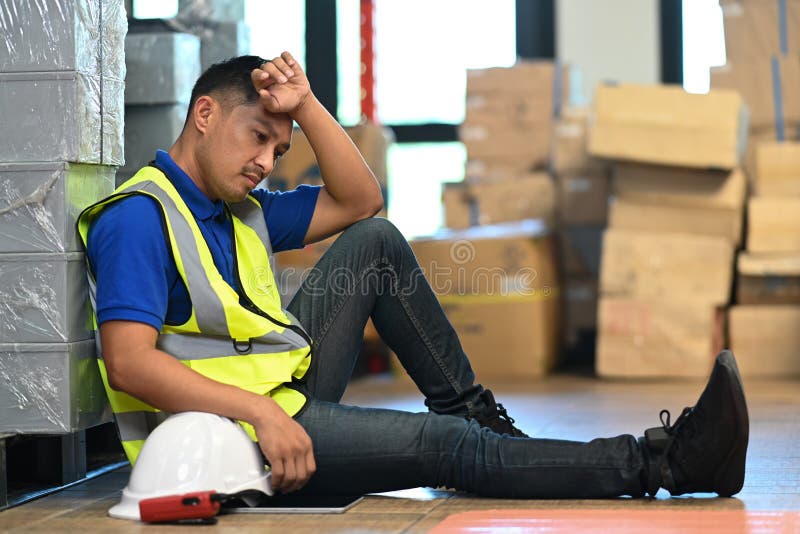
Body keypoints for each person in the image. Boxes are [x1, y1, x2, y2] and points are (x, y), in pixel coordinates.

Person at [78, 52, 749, 499]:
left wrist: (306, 106)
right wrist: (260, 414)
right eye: (257, 136)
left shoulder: (234, 208)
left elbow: (360, 203)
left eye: (278, 149)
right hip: (235, 441)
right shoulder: (140, 218)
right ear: (205, 114)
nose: (265, 160)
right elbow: (131, 364)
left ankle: (478, 422)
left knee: (374, 241)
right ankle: (665, 462)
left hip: (277, 392)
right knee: (445, 447)